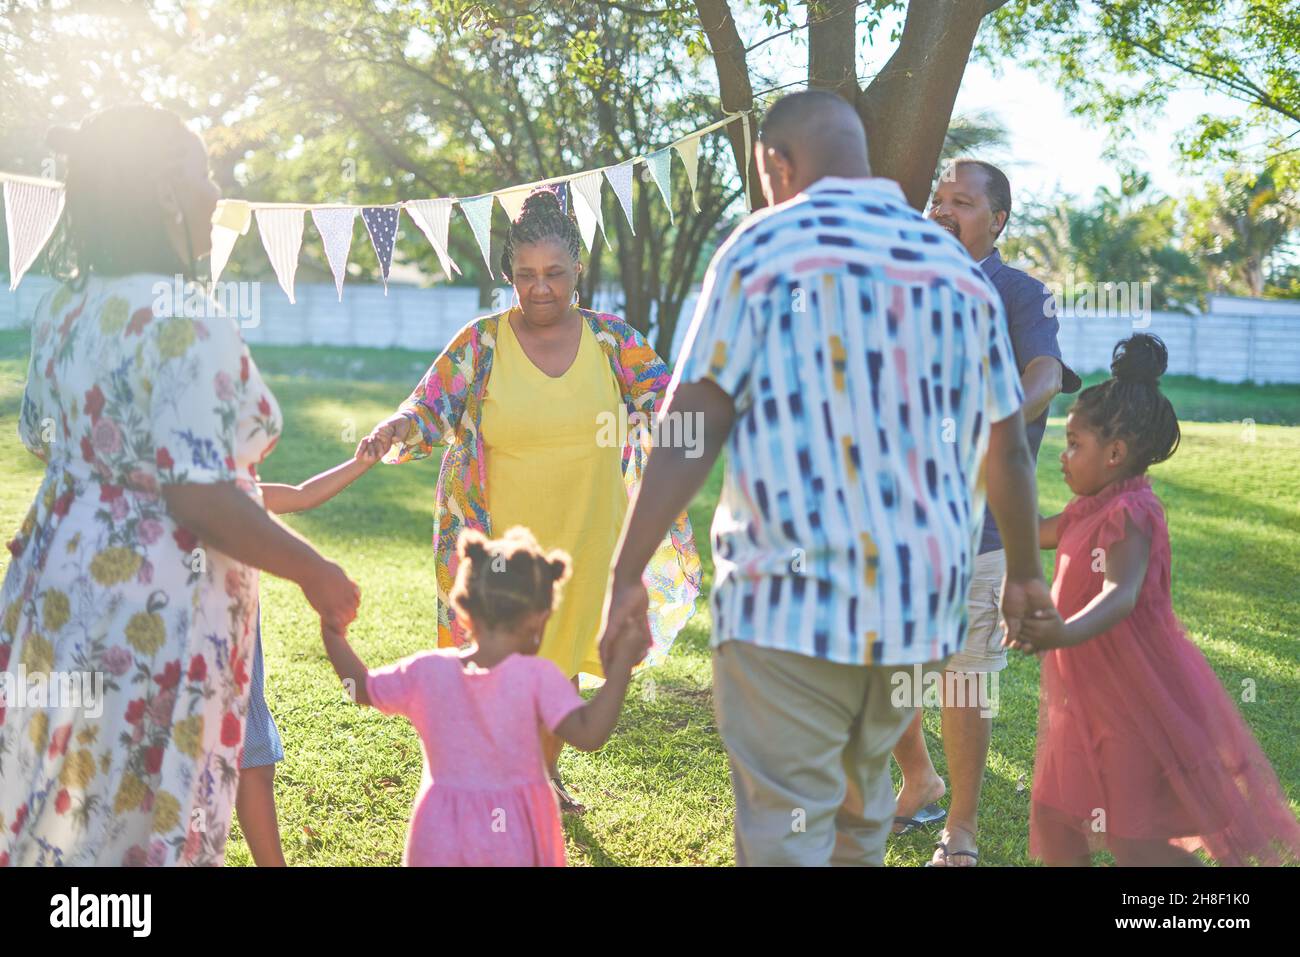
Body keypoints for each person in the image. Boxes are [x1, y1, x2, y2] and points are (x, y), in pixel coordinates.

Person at [597, 89, 1054, 866]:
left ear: (778, 162)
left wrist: (626, 567)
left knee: (786, 830)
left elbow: (694, 422)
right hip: (916, 615)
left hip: (786, 613)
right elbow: (1005, 446)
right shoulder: (953, 268)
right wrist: (1024, 574)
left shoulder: (764, 246)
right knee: (857, 816)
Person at [0, 105, 358, 866]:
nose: (215, 194)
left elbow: (44, 437)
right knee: (136, 808)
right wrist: (315, 571)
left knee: (71, 795)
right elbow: (198, 493)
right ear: (166, 193)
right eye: (205, 175)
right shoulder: (187, 316)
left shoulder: (62, 307)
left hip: (57, 591)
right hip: (149, 613)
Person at [364, 189, 700, 812]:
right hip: (502, 538)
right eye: (525, 275)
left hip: (587, 533)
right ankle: (494, 777)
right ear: (509, 275)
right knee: (499, 659)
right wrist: (395, 428)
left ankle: (544, 779)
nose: (540, 288)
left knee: (562, 655)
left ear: (577, 269)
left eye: (553, 274)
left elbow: (668, 397)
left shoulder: (610, 339)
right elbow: (429, 405)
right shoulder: (482, 343)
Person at [1008, 334, 1300, 866]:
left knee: (1134, 839)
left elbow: (1121, 594)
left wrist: (1062, 631)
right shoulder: (1084, 507)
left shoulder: (1132, 512)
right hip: (1083, 694)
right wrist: (986, 484)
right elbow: (1027, 532)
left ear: (1115, 453)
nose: (1062, 456)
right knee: (1055, 816)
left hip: (1131, 689)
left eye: (1074, 443)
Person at [888, 158, 1082, 865]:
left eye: (961, 201)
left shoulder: (1022, 292)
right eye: (937, 198)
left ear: (996, 219)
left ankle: (960, 828)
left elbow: (1046, 374)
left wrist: (994, 414)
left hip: (983, 524)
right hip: (898, 514)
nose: (942, 209)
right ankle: (918, 778)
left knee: (962, 676)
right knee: (886, 666)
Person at [318, 527, 651, 866]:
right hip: (514, 836)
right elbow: (590, 734)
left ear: (464, 611)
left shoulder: (428, 672)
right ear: (540, 618)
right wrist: (621, 665)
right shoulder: (538, 678)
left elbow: (358, 688)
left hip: (441, 833)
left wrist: (332, 632)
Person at [236, 444, 382, 866]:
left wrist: (361, 462)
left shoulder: (245, 496)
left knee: (253, 764)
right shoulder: (208, 500)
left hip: (240, 663)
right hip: (195, 659)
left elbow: (303, 493)